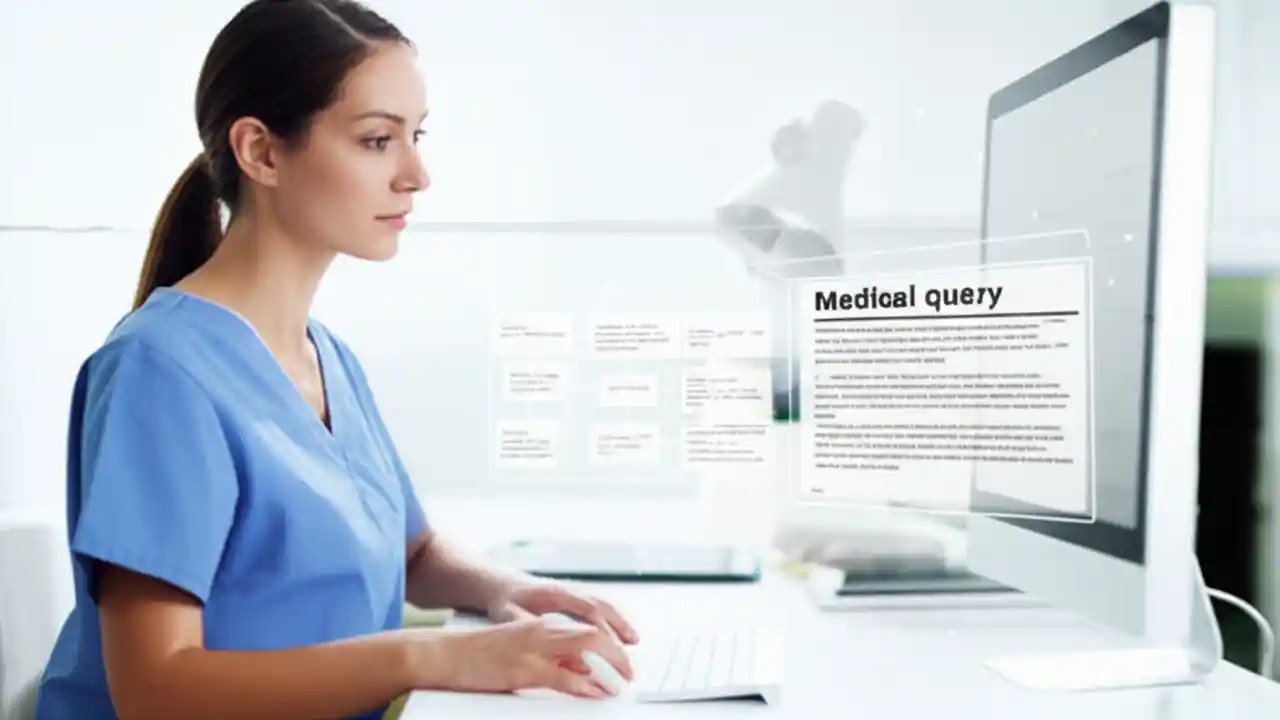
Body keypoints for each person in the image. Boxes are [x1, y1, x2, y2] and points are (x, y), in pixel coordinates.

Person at [34, 2, 638, 718]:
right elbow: (155, 689)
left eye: (416, 136)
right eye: (378, 140)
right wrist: (439, 657)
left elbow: (411, 554)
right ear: (259, 151)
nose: (417, 173)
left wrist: (504, 590)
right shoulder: (158, 372)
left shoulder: (329, 357)